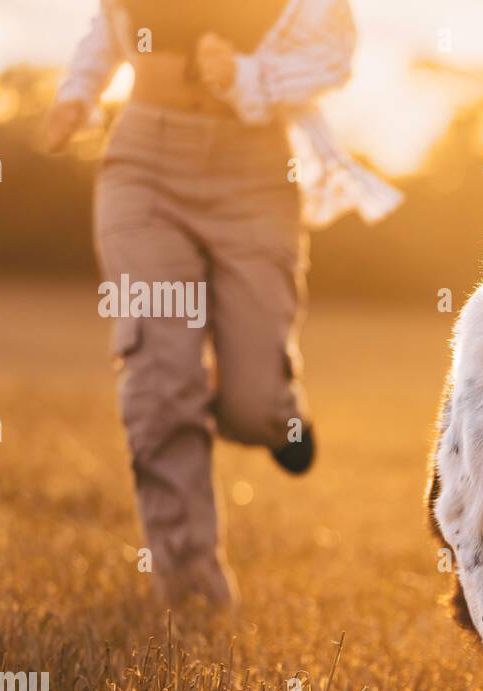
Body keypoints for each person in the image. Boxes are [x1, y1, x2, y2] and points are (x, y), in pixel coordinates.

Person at [44, 0, 400, 608]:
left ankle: (273, 412)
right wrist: (78, 91)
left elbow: (333, 56)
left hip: (254, 172)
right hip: (144, 166)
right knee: (160, 374)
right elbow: (106, 25)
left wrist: (245, 76)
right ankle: (188, 584)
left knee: (253, 400)